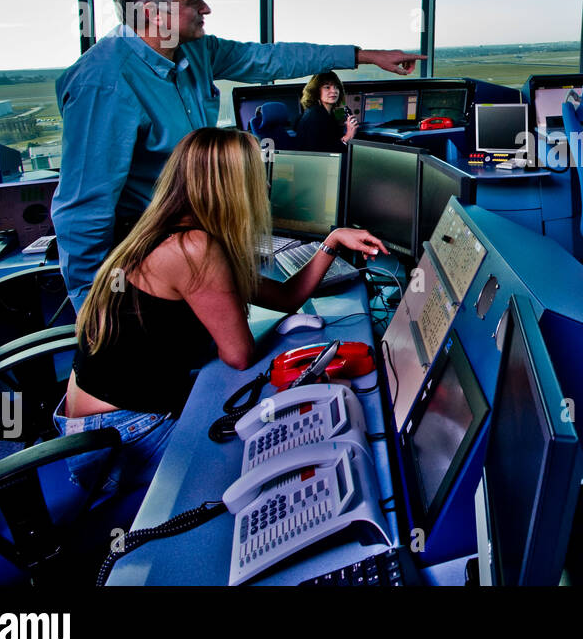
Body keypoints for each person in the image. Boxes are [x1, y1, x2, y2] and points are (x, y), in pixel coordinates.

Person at [52, 0, 423, 313]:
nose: (206, 9)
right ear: (153, 14)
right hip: (148, 254)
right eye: (193, 2)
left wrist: (366, 56)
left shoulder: (193, 50)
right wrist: (96, 311)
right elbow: (83, 211)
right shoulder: (102, 84)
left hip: (198, 240)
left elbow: (271, 58)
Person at [57, 127, 387, 494]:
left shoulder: (172, 229)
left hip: (98, 422)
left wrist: (332, 241)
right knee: (274, 459)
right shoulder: (193, 248)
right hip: (119, 439)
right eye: (257, 175)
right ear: (234, 185)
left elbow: (285, 299)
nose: (264, 185)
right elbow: (239, 356)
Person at [294, 71, 358, 152]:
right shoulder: (314, 116)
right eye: (327, 87)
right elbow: (322, 154)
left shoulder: (327, 114)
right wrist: (347, 137)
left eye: (336, 87)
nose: (334, 91)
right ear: (316, 91)